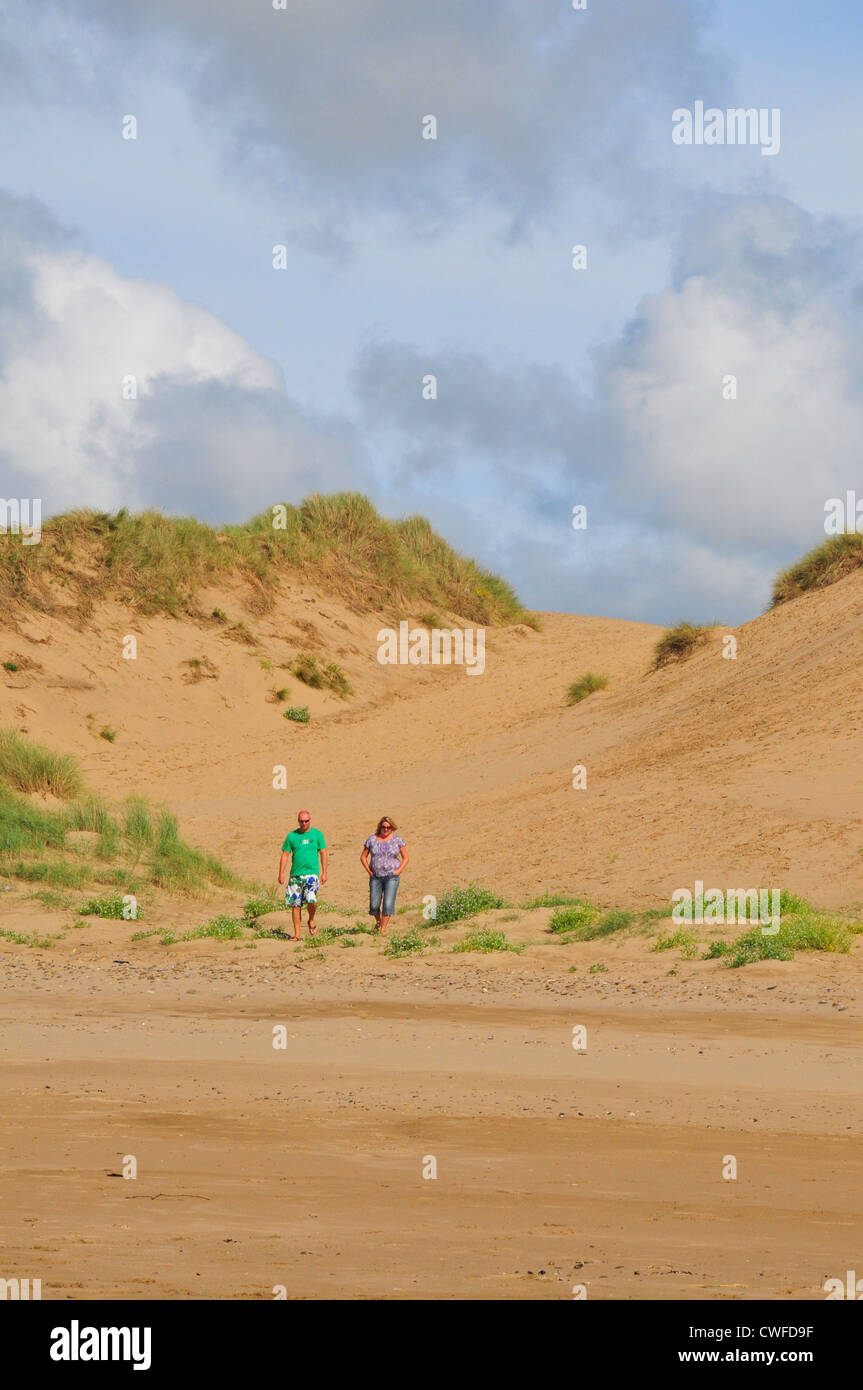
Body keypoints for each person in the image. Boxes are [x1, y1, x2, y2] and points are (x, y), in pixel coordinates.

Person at [278, 810, 327, 940]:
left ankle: (311, 919)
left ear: (310, 820)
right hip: (296, 875)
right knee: (296, 905)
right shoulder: (291, 836)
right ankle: (297, 934)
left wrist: (324, 872)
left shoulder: (317, 835)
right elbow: (285, 855)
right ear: (298, 821)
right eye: (301, 821)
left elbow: (323, 853)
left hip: (312, 874)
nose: (304, 823)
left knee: (312, 900)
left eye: (306, 821)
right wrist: (281, 873)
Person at [360, 816, 408, 935]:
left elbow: (406, 857)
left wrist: (399, 870)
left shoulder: (397, 840)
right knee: (374, 905)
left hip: (391, 876)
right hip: (376, 876)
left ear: (392, 828)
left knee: (388, 903)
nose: (385, 829)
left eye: (388, 827)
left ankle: (383, 929)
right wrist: (369, 871)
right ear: (379, 827)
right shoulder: (372, 839)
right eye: (383, 827)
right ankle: (378, 922)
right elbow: (363, 857)